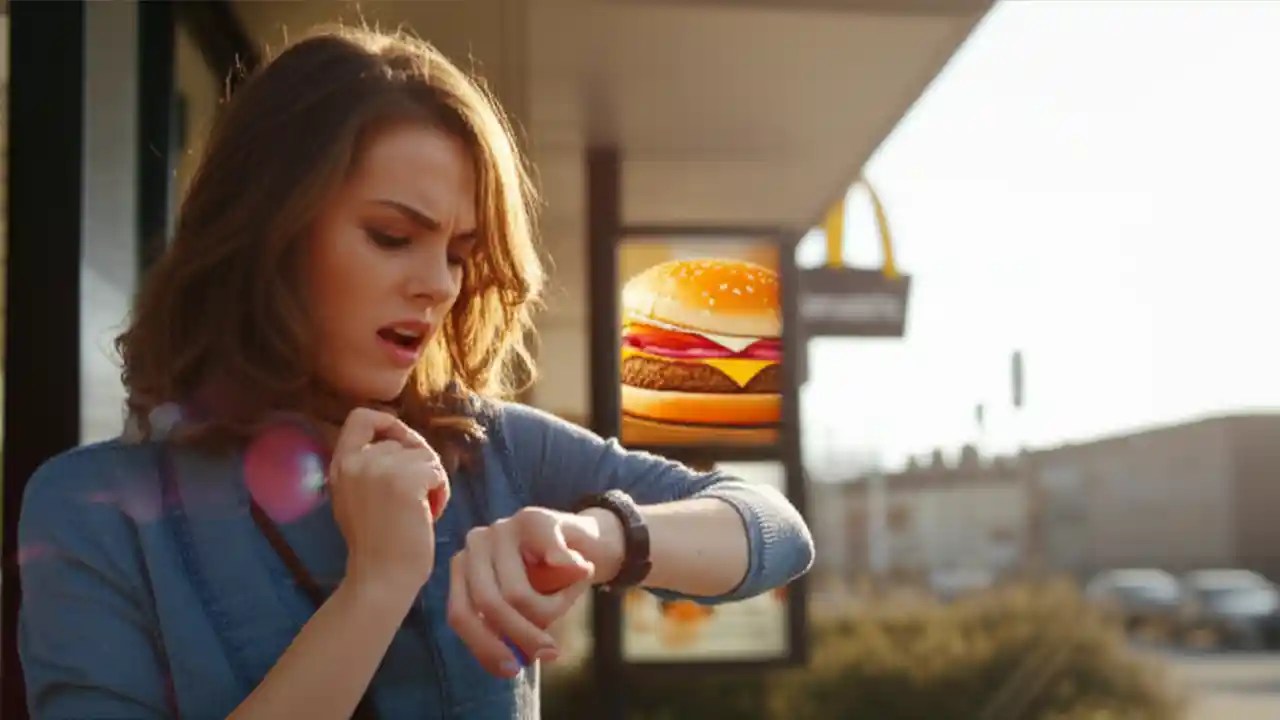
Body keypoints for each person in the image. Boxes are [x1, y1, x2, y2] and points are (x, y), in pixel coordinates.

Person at [17, 24, 813, 720]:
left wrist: (598, 536)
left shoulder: (492, 451)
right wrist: (377, 586)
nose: (438, 284)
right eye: (392, 236)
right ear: (265, 234)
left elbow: (775, 530)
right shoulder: (94, 511)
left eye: (459, 253)